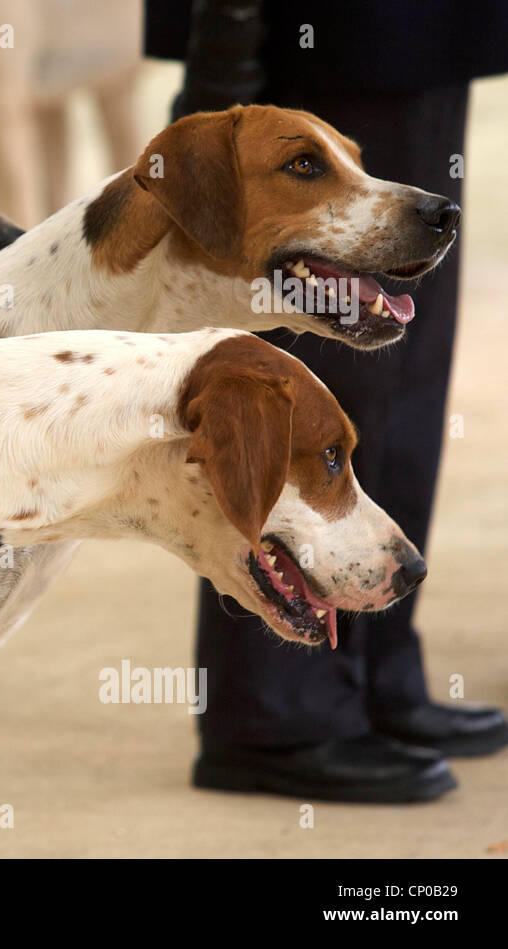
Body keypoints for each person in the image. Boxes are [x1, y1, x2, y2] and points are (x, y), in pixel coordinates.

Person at [145, 0, 508, 802]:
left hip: (419, 31)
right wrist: (226, 38)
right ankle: (280, 707)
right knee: (321, 360)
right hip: (321, 24)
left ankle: (374, 669)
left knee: (403, 334)